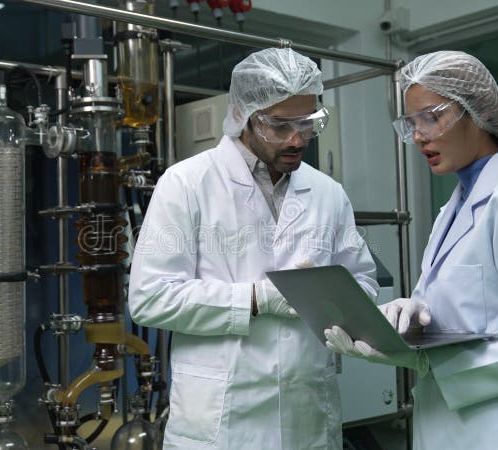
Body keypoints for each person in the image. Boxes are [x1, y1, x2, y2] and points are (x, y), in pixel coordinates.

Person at [324, 50, 498, 450]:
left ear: (475, 111)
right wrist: (410, 324)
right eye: (411, 124)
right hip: (448, 423)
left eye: (431, 117)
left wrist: (428, 360)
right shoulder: (453, 208)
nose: (419, 136)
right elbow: (464, 312)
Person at [128, 47, 378, 450]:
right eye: (280, 126)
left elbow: (362, 279)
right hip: (223, 420)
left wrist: (344, 309)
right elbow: (149, 298)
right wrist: (257, 298)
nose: (298, 139)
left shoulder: (328, 193)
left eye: (309, 123)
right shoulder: (187, 184)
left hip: (307, 415)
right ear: (244, 115)